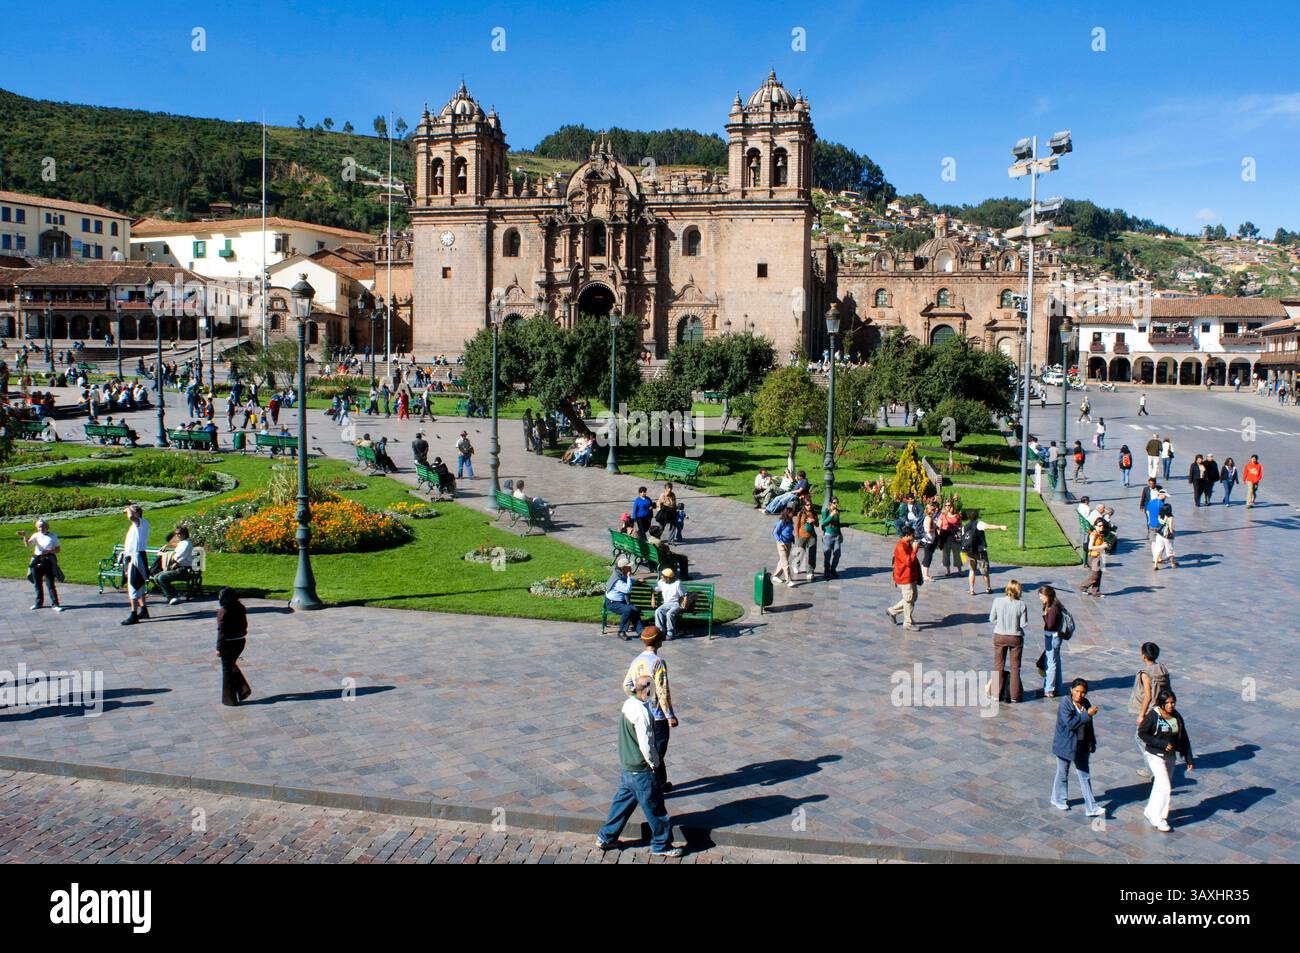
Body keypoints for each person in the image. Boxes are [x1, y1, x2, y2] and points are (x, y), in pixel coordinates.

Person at [596, 675, 681, 857]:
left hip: (627, 766)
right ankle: (661, 845)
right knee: (656, 810)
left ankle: (606, 837)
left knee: (622, 805)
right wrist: (654, 763)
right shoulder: (642, 712)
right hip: (642, 769)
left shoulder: (628, 704)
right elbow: (646, 743)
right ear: (648, 691)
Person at [623, 627, 678, 789]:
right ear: (659, 641)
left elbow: (626, 685)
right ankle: (653, 784)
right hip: (657, 716)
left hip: (641, 712)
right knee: (658, 751)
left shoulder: (636, 661)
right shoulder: (658, 662)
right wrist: (670, 715)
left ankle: (661, 782)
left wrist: (638, 699)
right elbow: (662, 690)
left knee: (646, 746)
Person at [1138, 689, 1194, 832]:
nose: (1171, 705)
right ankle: (1159, 818)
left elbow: (1184, 737)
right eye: (1167, 703)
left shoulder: (1176, 716)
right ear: (1161, 703)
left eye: (1173, 702)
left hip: (1170, 757)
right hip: (1155, 756)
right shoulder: (1153, 716)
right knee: (1165, 787)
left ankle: (1150, 810)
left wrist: (1188, 757)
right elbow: (1142, 733)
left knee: (1160, 785)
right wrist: (1161, 744)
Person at [1050, 678, 1104, 816]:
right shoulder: (1065, 704)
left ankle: (1091, 807)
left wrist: (1092, 741)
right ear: (1071, 690)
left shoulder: (1086, 703)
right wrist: (1087, 714)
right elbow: (1070, 724)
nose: (1079, 695)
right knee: (1063, 772)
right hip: (1066, 745)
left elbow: (1089, 726)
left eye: (1083, 692)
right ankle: (1058, 799)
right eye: (1077, 691)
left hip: (1082, 745)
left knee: (1084, 775)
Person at [1129, 642, 1171, 780]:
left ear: (1143, 656)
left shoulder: (1145, 673)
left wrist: (1141, 715)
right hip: (1162, 709)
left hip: (1150, 712)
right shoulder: (1162, 669)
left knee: (1140, 737)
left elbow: (1147, 696)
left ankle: (1151, 768)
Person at [988, 579, 1029, 703]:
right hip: (1015, 637)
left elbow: (991, 619)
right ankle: (1015, 695)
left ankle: (995, 694)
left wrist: (1000, 623)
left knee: (998, 665)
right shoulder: (1022, 604)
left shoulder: (997, 601)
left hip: (999, 635)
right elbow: (1023, 624)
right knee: (1015, 667)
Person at [216, 587, 252, 706]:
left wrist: (218, 648)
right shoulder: (241, 607)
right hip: (240, 641)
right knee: (231, 665)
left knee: (227, 670)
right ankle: (243, 689)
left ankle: (230, 699)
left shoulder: (223, 611)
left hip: (228, 643)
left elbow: (221, 632)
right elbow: (245, 624)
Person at [18, 518, 64, 612]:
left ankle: (55, 604)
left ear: (47, 526)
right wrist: (25, 536)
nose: (41, 528)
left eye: (43, 526)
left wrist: (50, 551)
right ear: (37, 527)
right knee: (37, 583)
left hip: (48, 560)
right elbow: (28, 544)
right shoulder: (36, 535)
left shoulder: (53, 536)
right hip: (36, 559)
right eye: (39, 527)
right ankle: (38, 603)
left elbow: (58, 549)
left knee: (50, 583)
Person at [885, 525, 922, 632]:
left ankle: (892, 611)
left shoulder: (907, 544)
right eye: (912, 535)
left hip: (911, 576)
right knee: (909, 599)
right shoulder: (901, 547)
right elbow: (908, 562)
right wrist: (915, 550)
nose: (914, 537)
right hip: (905, 577)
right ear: (907, 535)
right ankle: (908, 623)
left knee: (912, 597)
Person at [961, 511, 1006, 595]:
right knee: (984, 571)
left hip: (969, 552)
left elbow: (962, 538)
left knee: (972, 570)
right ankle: (988, 588)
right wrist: (1000, 526)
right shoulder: (979, 524)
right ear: (977, 516)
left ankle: (971, 590)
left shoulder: (965, 526)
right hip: (980, 552)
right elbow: (989, 526)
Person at [120, 504, 151, 625]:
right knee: (140, 586)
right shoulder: (137, 525)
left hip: (136, 557)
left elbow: (131, 517)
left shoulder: (141, 523)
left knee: (133, 585)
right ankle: (143, 609)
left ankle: (134, 614)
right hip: (134, 556)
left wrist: (128, 509)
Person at [153, 526, 196, 605]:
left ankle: (174, 596)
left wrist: (164, 554)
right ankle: (171, 596)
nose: (177, 535)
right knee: (156, 577)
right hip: (177, 568)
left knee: (162, 577)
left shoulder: (186, 544)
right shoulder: (182, 542)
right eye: (176, 534)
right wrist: (167, 546)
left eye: (179, 533)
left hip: (184, 571)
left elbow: (176, 558)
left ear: (185, 534)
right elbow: (176, 549)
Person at [603, 560, 643, 640]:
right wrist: (629, 577)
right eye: (629, 567)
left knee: (634, 609)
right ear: (623, 568)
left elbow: (624, 580)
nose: (630, 568)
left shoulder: (619, 574)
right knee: (627, 610)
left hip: (620, 602)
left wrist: (636, 581)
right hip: (612, 603)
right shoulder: (617, 580)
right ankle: (621, 632)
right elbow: (627, 590)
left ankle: (641, 631)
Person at [1039, 585, 1065, 698]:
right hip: (1055, 637)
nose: (1040, 598)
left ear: (1047, 596)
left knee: (1051, 663)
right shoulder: (1055, 606)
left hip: (1052, 637)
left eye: (1041, 596)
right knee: (1055, 662)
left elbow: (1050, 625)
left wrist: (1045, 615)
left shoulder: (1053, 608)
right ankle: (1058, 688)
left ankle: (1049, 689)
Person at [651, 568, 684, 640]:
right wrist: (653, 598)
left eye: (663, 576)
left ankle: (670, 632)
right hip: (665, 604)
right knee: (658, 611)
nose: (661, 577)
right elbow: (653, 588)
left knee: (669, 614)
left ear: (668, 578)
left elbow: (683, 595)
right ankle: (660, 631)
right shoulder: (661, 582)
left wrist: (682, 605)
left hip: (676, 604)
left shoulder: (677, 583)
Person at [793, 495, 819, 581]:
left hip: (812, 536)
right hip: (802, 536)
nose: (809, 506)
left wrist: (814, 521)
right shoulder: (800, 513)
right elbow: (796, 525)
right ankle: (797, 565)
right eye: (807, 505)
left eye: (810, 504)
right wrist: (797, 536)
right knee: (800, 553)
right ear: (804, 505)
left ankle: (810, 572)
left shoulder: (814, 513)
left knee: (812, 554)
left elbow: (817, 525)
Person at [1081, 518, 1107, 598]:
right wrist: (1102, 546)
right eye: (1099, 526)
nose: (1101, 527)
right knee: (1095, 576)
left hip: (1099, 556)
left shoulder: (1100, 534)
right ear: (1095, 526)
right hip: (1093, 557)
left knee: (1099, 574)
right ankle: (1083, 586)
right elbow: (1090, 547)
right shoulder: (1094, 534)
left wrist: (1104, 546)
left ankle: (1095, 592)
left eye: (1102, 525)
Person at [1151, 492, 1178, 571]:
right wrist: (1173, 533)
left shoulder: (1160, 515)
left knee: (1158, 549)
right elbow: (1170, 527)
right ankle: (1173, 563)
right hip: (1166, 535)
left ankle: (1155, 565)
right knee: (1170, 550)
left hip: (1159, 533)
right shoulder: (1170, 517)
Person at [772, 508, 796, 588]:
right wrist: (780, 541)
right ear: (787, 513)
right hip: (781, 544)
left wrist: (792, 538)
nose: (793, 514)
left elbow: (789, 531)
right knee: (785, 563)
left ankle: (776, 576)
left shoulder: (790, 521)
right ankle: (789, 580)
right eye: (791, 513)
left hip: (788, 543)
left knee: (782, 561)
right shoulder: (781, 522)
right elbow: (775, 532)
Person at [820, 496, 843, 579]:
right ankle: (826, 572)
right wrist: (830, 515)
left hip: (836, 536)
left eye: (837, 502)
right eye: (834, 503)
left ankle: (833, 569)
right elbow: (823, 523)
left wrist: (840, 534)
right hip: (828, 536)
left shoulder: (837, 511)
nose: (836, 504)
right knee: (828, 555)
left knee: (837, 554)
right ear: (830, 503)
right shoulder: (825, 511)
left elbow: (838, 524)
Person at [938, 501, 962, 576]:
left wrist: (960, 531)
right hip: (945, 536)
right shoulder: (942, 515)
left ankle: (960, 571)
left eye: (949, 505)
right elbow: (939, 526)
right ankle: (948, 571)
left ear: (952, 506)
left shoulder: (957, 515)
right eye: (946, 505)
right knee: (946, 554)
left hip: (955, 536)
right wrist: (939, 536)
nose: (948, 507)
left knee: (957, 554)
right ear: (944, 506)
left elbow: (961, 525)